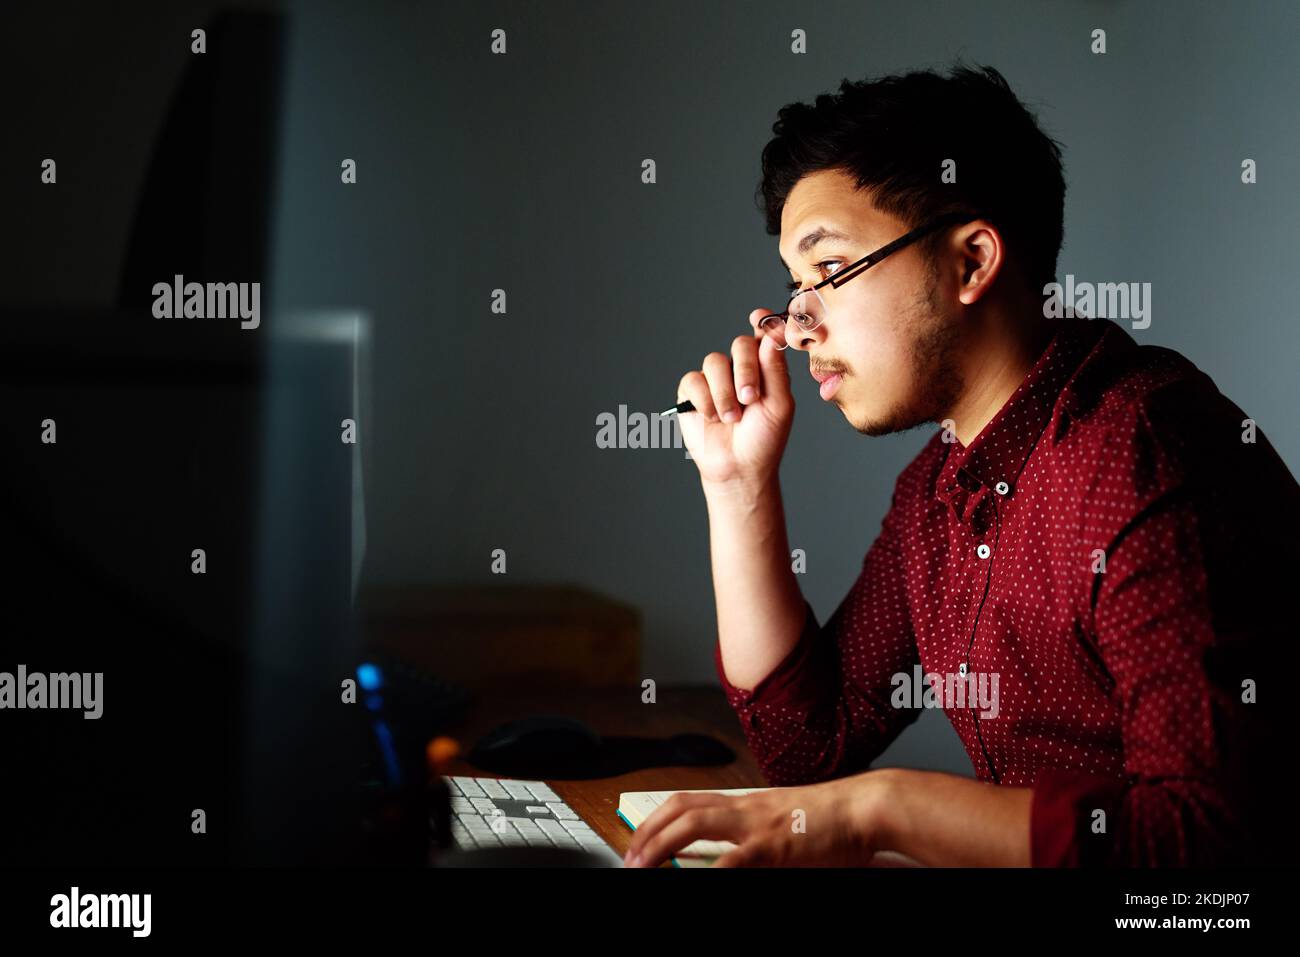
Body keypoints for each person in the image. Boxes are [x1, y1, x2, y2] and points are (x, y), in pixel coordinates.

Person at [625, 65, 1297, 868]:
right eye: (794, 287)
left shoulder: (1142, 451)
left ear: (972, 262)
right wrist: (736, 484)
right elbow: (809, 745)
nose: (798, 326)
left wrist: (886, 808)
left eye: (830, 272)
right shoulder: (940, 488)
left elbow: (1204, 848)